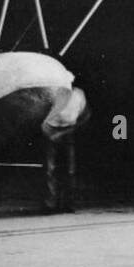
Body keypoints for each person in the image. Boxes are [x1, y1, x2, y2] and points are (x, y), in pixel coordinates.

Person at [41, 83, 88, 214]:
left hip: (68, 131)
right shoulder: (55, 91)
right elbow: (43, 113)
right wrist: (48, 131)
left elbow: (85, 115)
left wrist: (63, 133)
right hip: (51, 128)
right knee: (50, 169)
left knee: (70, 170)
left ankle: (68, 203)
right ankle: (50, 204)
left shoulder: (79, 93)